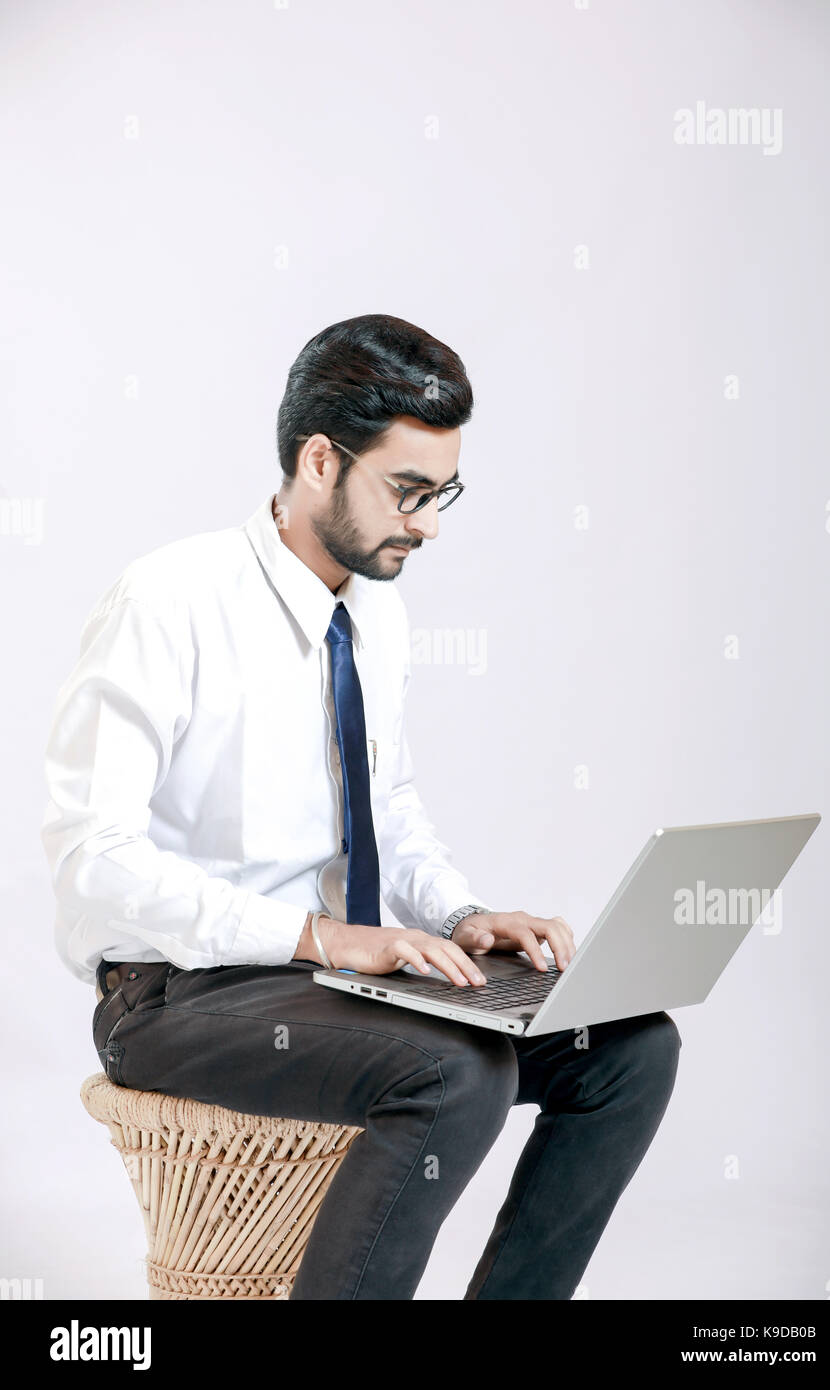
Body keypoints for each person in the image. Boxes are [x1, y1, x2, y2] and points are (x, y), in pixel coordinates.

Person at [40, 312, 681, 1299]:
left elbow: (390, 811)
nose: (427, 524)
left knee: (629, 1045)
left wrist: (466, 919)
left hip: (320, 980)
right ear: (318, 462)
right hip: (173, 993)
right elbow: (96, 862)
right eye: (408, 492)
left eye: (442, 494)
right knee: (457, 1074)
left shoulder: (375, 612)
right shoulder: (167, 601)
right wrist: (324, 939)